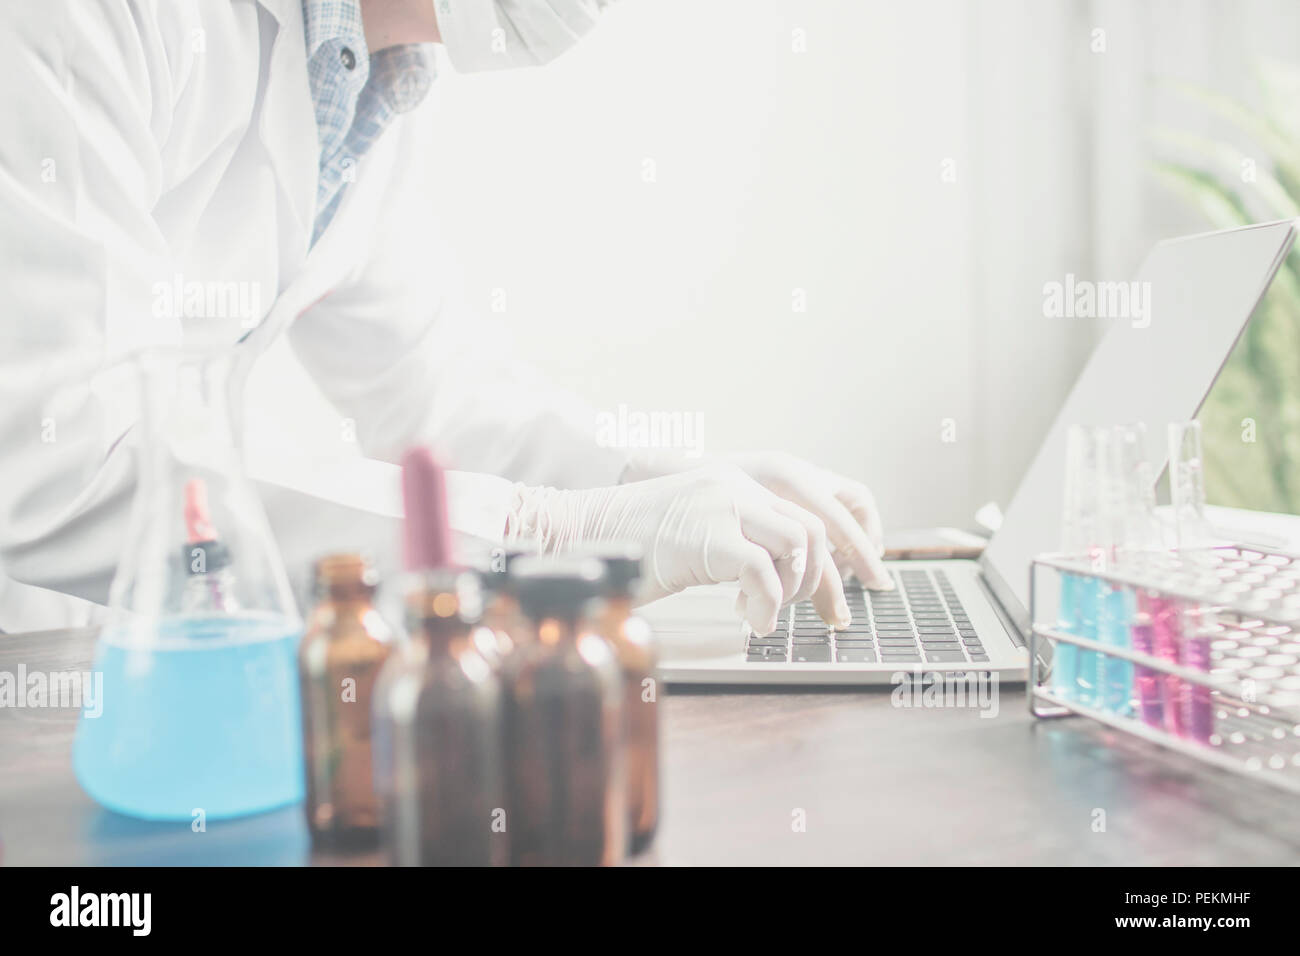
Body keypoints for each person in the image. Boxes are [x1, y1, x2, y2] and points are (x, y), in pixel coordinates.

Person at [0, 0, 891, 638]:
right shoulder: (90, 17)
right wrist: (553, 534)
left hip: (124, 646)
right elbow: (67, 454)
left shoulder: (366, 76)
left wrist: (673, 481)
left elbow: (428, 395)